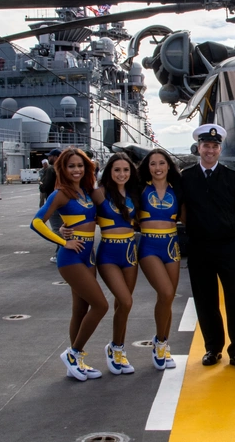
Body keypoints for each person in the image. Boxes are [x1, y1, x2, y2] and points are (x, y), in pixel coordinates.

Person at [180, 124, 235, 372]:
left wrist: (232, 232)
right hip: (199, 247)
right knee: (205, 300)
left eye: (214, 146)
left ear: (220, 149)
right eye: (205, 146)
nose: (210, 150)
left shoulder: (234, 178)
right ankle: (213, 348)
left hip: (227, 247)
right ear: (198, 148)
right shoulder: (186, 177)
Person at [31, 148, 108, 382]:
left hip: (89, 255)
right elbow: (37, 222)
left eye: (80, 165)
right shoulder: (61, 194)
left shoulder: (86, 191)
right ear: (62, 169)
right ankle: (73, 354)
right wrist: (63, 240)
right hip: (71, 257)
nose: (76, 170)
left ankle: (76, 362)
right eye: (71, 166)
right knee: (101, 306)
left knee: (80, 309)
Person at [93, 153, 141, 376]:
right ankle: (115, 348)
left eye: (126, 170)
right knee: (126, 300)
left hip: (130, 253)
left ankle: (117, 347)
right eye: (117, 170)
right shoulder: (100, 194)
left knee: (123, 306)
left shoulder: (134, 193)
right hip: (108, 254)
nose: (122, 174)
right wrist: (66, 229)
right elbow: (81, 213)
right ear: (109, 172)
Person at [136, 149, 183, 369]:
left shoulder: (178, 189)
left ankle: (163, 344)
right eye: (153, 164)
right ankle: (158, 341)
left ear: (168, 165)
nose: (157, 168)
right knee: (164, 292)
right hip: (149, 246)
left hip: (172, 246)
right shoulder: (139, 189)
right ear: (148, 167)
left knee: (169, 298)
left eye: (162, 163)